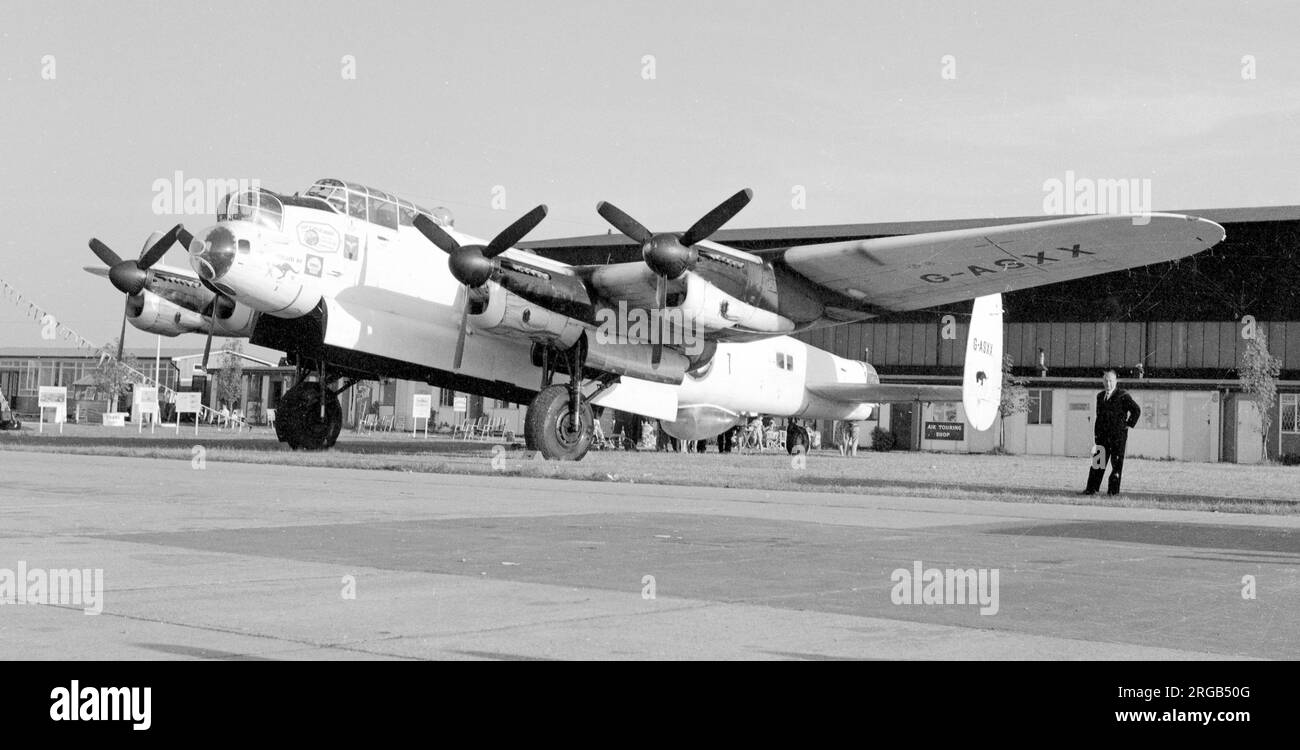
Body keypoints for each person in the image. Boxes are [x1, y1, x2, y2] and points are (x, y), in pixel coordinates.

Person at [1082, 369, 1141, 495]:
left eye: (1111, 381)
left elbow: (1136, 410)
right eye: (1106, 381)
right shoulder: (1100, 396)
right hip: (1102, 437)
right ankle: (1091, 489)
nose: (1108, 384)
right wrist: (1097, 434)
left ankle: (1113, 492)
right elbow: (1099, 417)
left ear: (1116, 381)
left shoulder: (1123, 395)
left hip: (1117, 438)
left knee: (1116, 465)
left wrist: (1127, 425)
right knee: (1098, 464)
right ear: (1103, 381)